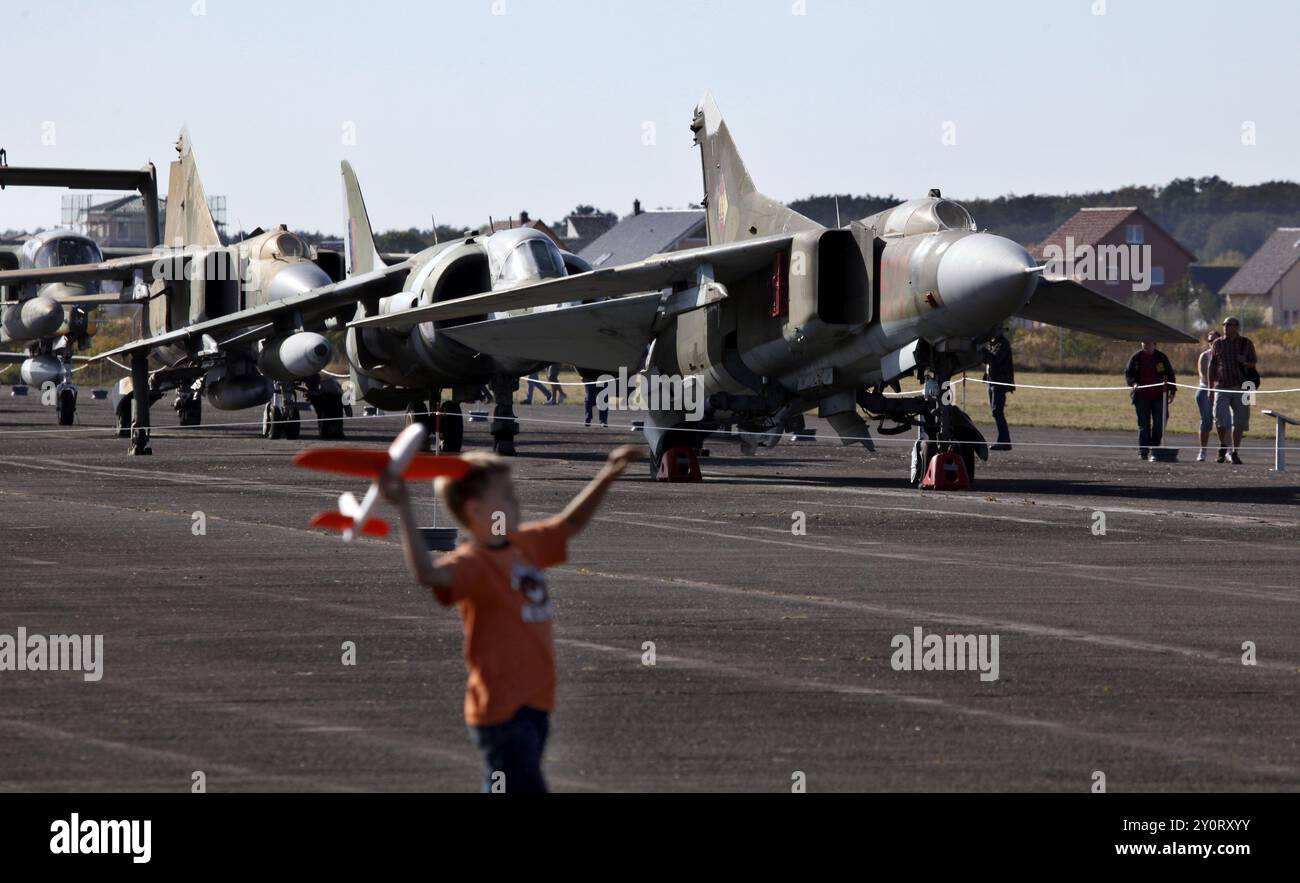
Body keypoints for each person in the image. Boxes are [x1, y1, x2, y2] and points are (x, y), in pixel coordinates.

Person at [381, 444, 640, 793]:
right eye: (506, 496)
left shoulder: (524, 545)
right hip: (503, 711)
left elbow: (570, 524)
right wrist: (404, 507)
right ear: (475, 509)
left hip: (536, 705)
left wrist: (607, 475)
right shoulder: (473, 563)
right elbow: (428, 573)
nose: (516, 502)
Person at [1208, 316, 1258, 464]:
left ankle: (1235, 451)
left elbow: (1253, 364)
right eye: (1224, 324)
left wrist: (1245, 362)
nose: (1225, 327)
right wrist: (1210, 389)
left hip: (1242, 387)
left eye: (1229, 325)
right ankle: (1223, 446)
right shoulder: (1218, 343)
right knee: (1220, 419)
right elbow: (1212, 365)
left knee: (1240, 422)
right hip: (1222, 386)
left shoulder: (1246, 343)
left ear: (1236, 327)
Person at [1124, 341, 1176, 461]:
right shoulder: (1136, 357)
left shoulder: (1161, 357)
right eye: (1144, 343)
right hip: (1142, 397)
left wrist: (1172, 391)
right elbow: (1128, 373)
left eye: (1148, 343)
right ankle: (1143, 451)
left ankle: (1154, 446)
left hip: (1159, 396)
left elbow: (1170, 375)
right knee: (1144, 425)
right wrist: (1133, 383)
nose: (1146, 345)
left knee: (1160, 423)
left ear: (1154, 344)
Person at [978, 331, 1015, 451]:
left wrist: (981, 349)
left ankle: (1004, 441)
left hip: (999, 382)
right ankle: (1003, 440)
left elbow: (994, 359)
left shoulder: (1003, 344)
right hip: (991, 381)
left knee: (997, 411)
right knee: (996, 412)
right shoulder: (993, 343)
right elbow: (986, 360)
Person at [1194, 330, 1221, 461]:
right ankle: (1202, 451)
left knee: (1223, 421)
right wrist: (1216, 386)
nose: (1212, 343)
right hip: (1205, 391)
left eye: (1215, 340)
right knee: (1206, 422)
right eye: (1210, 341)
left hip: (1221, 392)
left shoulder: (1225, 356)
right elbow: (1204, 375)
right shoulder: (1205, 356)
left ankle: (1226, 451)